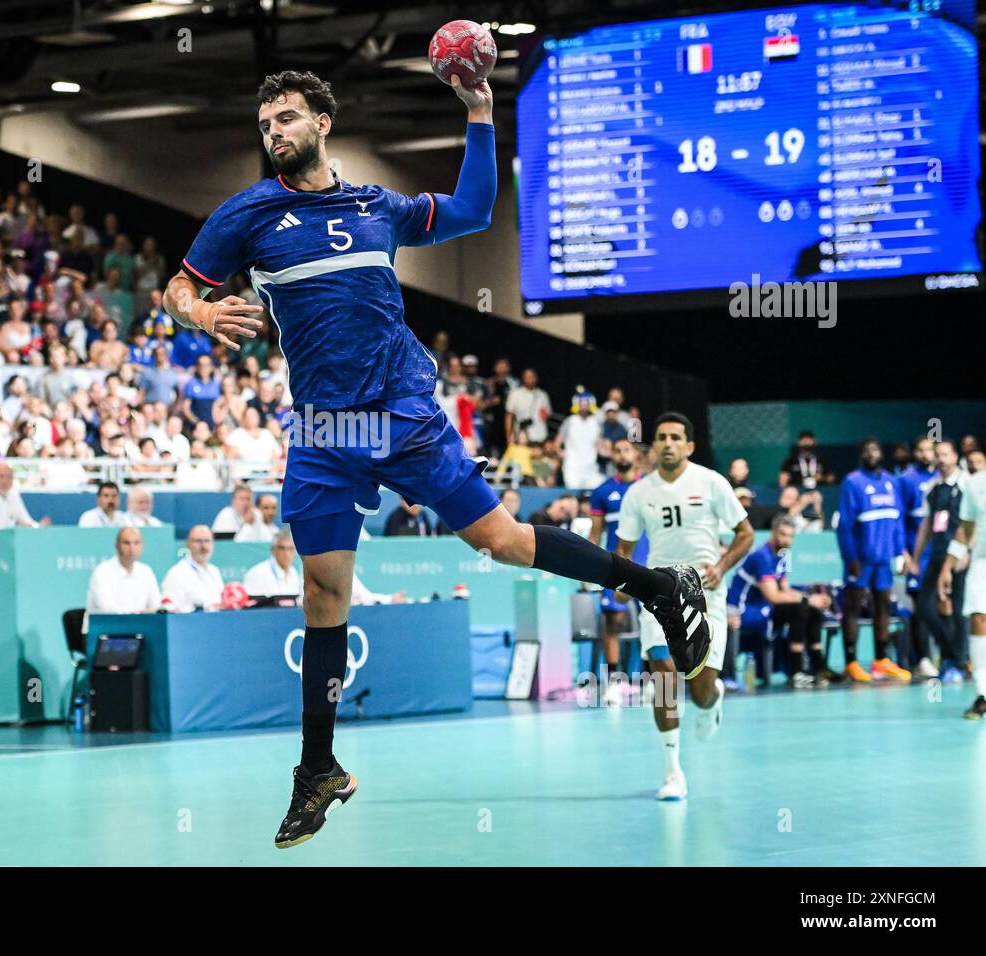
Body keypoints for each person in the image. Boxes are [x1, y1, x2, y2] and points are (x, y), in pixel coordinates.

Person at [164, 69, 711, 848]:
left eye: (286, 118)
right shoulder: (248, 214)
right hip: (324, 433)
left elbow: (473, 210)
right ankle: (317, 768)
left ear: (323, 120)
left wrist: (481, 112)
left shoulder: (378, 207)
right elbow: (178, 288)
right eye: (264, 125)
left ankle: (659, 588)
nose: (273, 133)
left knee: (504, 542)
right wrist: (199, 312)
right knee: (322, 592)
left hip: (404, 416)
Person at [616, 412, 754, 801]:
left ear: (689, 446)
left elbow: (746, 534)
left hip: (707, 594)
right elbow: (624, 550)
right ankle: (673, 772)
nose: (668, 443)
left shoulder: (711, 483)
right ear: (654, 445)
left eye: (676, 437)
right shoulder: (638, 493)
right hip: (660, 593)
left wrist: (722, 565)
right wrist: (620, 584)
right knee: (662, 677)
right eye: (661, 437)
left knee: (699, 690)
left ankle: (712, 703)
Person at [729, 516, 836, 689]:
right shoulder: (761, 556)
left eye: (791, 536)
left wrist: (816, 600)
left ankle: (818, 667)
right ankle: (796, 672)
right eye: (783, 535)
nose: (787, 540)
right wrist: (808, 600)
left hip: (764, 607)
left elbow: (785, 589)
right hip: (744, 610)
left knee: (814, 611)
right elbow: (774, 596)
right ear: (773, 533)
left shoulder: (784, 554)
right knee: (800, 609)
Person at [836, 439, 911, 683]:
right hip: (861, 558)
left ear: (882, 453)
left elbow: (898, 521)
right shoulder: (852, 481)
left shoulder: (892, 482)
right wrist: (851, 557)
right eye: (866, 450)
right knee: (853, 607)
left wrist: (900, 553)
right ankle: (851, 662)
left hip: (884, 558)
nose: (871, 454)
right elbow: (844, 526)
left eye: (875, 449)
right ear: (860, 455)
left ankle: (881, 660)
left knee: (883, 606)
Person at [588, 437, 648, 704]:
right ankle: (613, 683)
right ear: (612, 456)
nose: (622, 454)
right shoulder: (601, 492)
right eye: (617, 450)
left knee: (654, 624)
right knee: (613, 623)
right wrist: (587, 569)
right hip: (615, 568)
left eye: (627, 449)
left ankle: (650, 682)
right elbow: (595, 533)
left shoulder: (651, 488)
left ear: (636, 455)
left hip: (649, 566)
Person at [911, 440, 970, 682]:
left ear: (955, 457)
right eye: (938, 455)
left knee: (959, 610)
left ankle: (959, 662)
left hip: (960, 556)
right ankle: (952, 654)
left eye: (946, 454)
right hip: (937, 555)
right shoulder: (932, 488)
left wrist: (966, 551)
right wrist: (915, 557)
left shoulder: (967, 484)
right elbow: (926, 524)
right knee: (925, 607)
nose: (942, 459)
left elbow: (972, 523)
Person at [937, 458, 986, 718]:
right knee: (979, 619)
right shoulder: (975, 484)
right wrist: (948, 566)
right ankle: (983, 693)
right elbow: (965, 530)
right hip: (982, 563)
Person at [897, 437, 938, 676]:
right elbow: (898, 518)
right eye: (920, 450)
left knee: (944, 606)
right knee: (920, 607)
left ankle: (953, 657)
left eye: (929, 450)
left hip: (941, 554)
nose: (925, 454)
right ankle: (922, 658)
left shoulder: (942, 480)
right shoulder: (906, 480)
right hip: (916, 555)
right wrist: (904, 552)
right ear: (915, 453)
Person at [84, 528, 162, 628]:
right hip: (104, 632)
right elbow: (107, 609)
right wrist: (138, 613)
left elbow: (155, 607)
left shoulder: (146, 571)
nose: (132, 548)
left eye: (136, 543)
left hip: (138, 630)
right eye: (126, 543)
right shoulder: (102, 572)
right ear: (116, 546)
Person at [0, 462, 52, 529]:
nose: (5, 481)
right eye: (1, 476)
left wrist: (39, 526)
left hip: (4, 543)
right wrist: (9, 530)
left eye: (9, 477)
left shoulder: (13, 495)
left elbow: (25, 521)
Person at [161, 525, 226, 611]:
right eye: (198, 541)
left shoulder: (214, 571)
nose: (203, 546)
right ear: (187, 544)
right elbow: (170, 609)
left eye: (207, 541)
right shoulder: (177, 573)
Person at [244, 528, 303, 598]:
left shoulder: (294, 572)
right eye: (282, 548)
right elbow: (252, 604)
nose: (287, 554)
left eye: (291, 549)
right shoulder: (257, 573)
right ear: (273, 550)